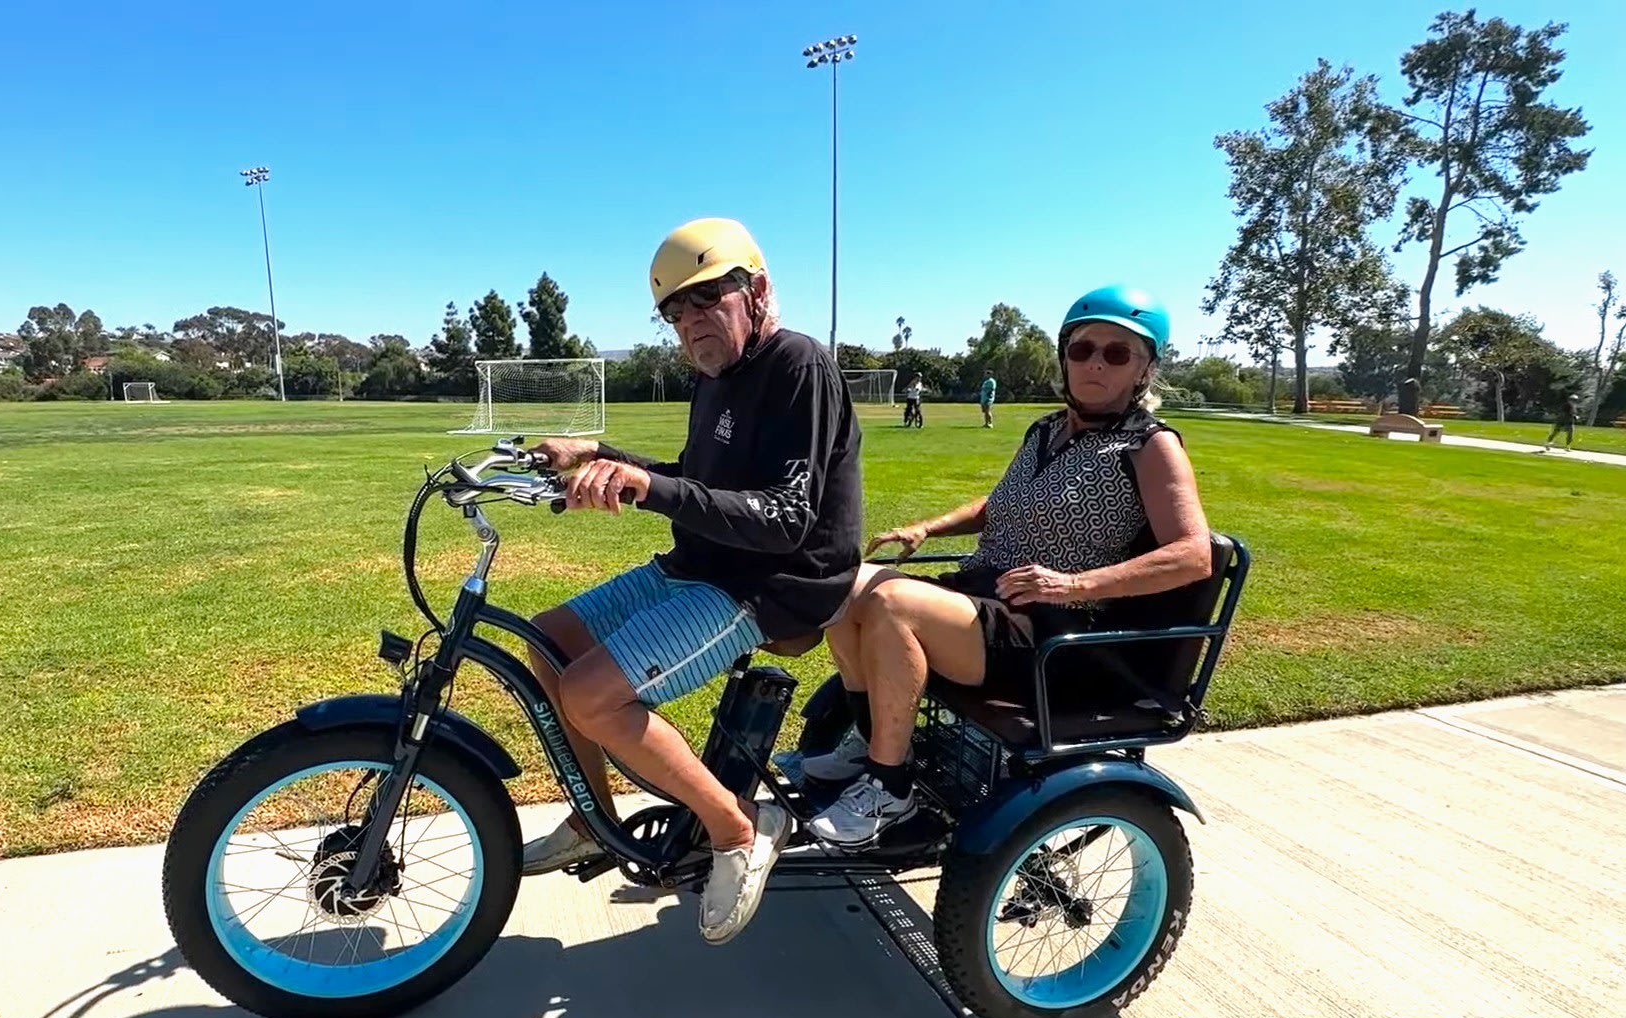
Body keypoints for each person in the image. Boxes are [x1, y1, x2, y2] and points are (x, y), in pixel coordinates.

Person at [519, 217, 864, 944]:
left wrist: (645, 485)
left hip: (774, 582)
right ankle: (593, 816)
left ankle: (739, 827)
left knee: (589, 694)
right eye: (675, 311)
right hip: (704, 562)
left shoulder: (799, 364)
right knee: (545, 642)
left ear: (758, 289)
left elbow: (786, 518)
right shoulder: (715, 378)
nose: (689, 322)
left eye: (707, 299)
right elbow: (697, 480)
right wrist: (597, 453)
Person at [801, 284, 1216, 846]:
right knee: (842, 587)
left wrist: (1070, 585)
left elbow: (1193, 554)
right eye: (1082, 348)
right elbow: (997, 506)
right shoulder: (1045, 430)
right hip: (987, 601)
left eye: (1117, 353)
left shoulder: (1149, 445)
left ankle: (889, 786)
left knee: (892, 604)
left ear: (1144, 369)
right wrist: (929, 527)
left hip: (1054, 635)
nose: (1095, 362)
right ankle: (874, 739)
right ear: (1064, 355)